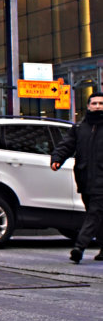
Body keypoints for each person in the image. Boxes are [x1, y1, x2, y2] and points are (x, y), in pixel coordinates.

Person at [51, 91, 103, 263]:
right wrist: (57, 159)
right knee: (95, 214)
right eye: (94, 103)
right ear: (88, 106)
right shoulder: (80, 128)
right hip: (84, 178)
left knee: (94, 213)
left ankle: (79, 247)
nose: (97, 106)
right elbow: (67, 145)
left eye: (101, 103)